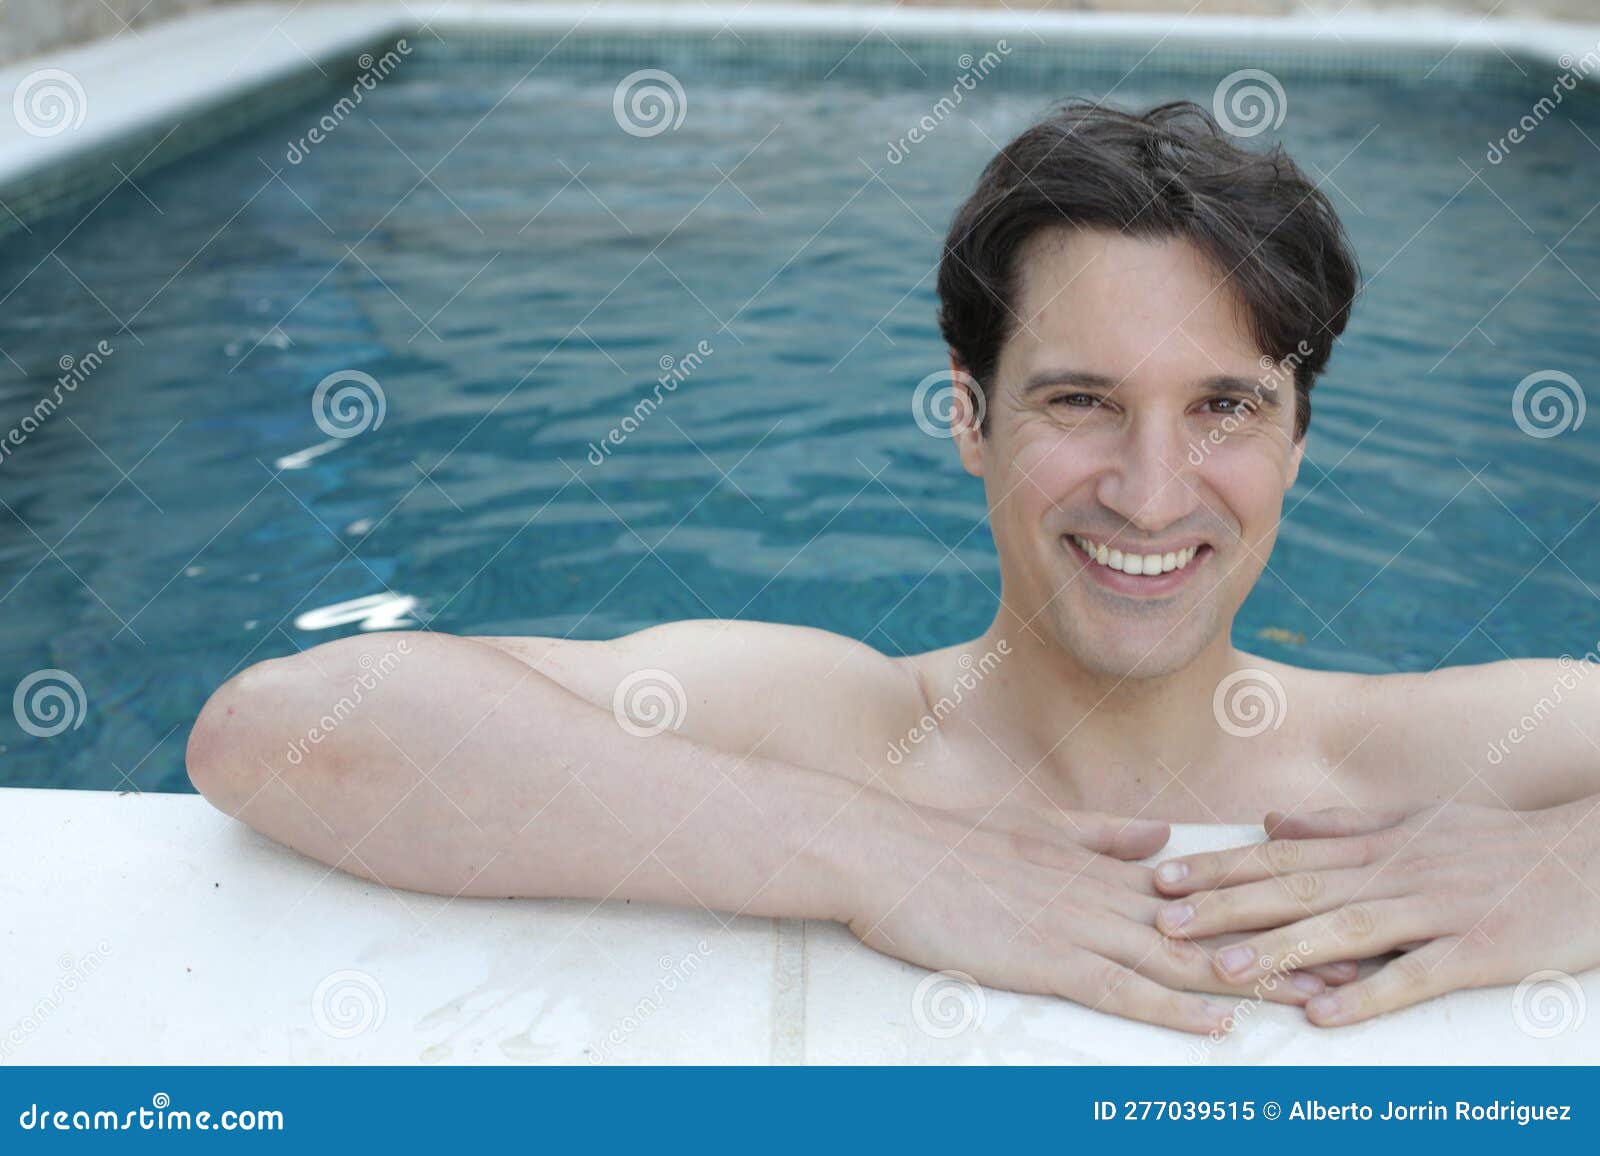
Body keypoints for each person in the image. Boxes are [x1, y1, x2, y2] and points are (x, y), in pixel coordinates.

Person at [186, 100, 1600, 1036]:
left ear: (1296, 444)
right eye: (1078, 401)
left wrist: (1560, 868)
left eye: (1225, 407)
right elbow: (282, 731)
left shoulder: (1404, 765)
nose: (1153, 491)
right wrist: (880, 856)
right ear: (969, 423)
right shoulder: (845, 737)